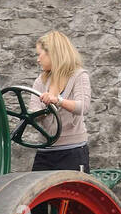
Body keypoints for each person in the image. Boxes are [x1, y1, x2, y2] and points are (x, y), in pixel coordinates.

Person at [30, 30, 91, 172]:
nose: (38, 59)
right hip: (45, 152)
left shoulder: (79, 76)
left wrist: (58, 100)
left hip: (72, 152)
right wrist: (41, 112)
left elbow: (83, 107)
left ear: (53, 53)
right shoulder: (41, 80)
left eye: (39, 54)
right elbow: (32, 112)